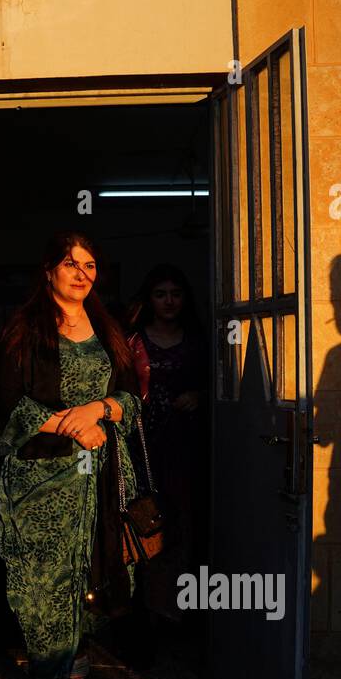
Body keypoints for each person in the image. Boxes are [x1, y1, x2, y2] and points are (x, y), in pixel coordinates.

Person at [0, 232, 141, 679]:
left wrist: (100, 410)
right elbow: (6, 404)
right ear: (48, 270)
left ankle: (74, 647)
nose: (82, 273)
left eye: (90, 264)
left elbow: (131, 395)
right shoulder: (25, 328)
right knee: (44, 588)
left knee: (95, 572)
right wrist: (69, 425)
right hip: (42, 479)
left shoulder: (107, 325)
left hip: (101, 474)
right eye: (70, 263)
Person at [124, 264, 209, 646]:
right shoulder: (133, 341)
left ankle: (179, 616)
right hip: (143, 447)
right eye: (161, 294)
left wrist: (201, 396)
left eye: (176, 293)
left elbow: (223, 384)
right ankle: (143, 615)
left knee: (183, 527)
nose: (169, 301)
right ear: (150, 300)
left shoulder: (198, 340)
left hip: (186, 447)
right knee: (145, 527)